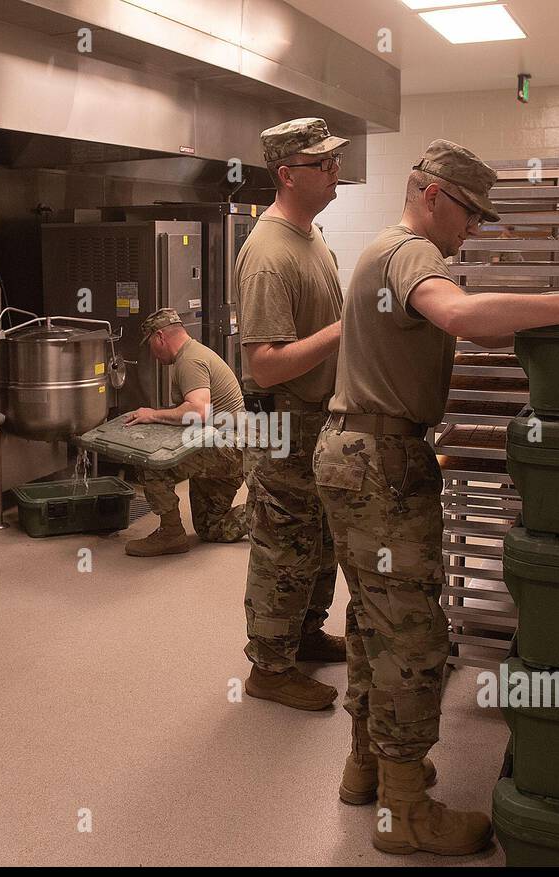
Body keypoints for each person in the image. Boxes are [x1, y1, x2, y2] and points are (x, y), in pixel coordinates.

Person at [315, 139, 559, 855]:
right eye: (469, 213)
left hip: (353, 450)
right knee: (413, 633)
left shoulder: (384, 248)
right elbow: (461, 317)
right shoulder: (412, 252)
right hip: (377, 459)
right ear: (430, 193)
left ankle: (369, 769)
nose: (472, 229)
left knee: (374, 622)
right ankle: (405, 810)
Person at [235, 117, 350, 712]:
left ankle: (303, 634)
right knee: (283, 542)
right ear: (286, 174)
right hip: (283, 422)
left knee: (318, 537)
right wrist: (343, 330)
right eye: (323, 166)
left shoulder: (312, 235)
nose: (335, 174)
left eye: (334, 162)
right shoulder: (268, 253)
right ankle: (269, 667)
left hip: (317, 420)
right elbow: (267, 366)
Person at [122, 308, 248, 556]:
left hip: (228, 451)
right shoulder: (193, 353)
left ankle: (171, 534)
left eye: (150, 345)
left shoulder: (189, 361)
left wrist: (153, 414)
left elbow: (198, 412)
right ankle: (270, 516)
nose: (152, 354)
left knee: (151, 462)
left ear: (160, 337)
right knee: (211, 528)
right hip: (231, 449)